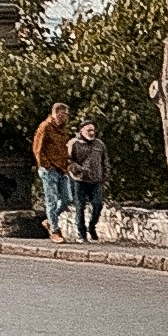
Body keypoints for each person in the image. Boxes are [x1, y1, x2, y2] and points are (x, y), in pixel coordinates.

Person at [31, 101, 73, 239]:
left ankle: (50, 220)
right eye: (65, 115)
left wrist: (66, 164)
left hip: (61, 169)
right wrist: (46, 166)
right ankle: (55, 231)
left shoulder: (61, 129)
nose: (66, 118)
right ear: (58, 114)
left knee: (67, 199)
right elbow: (38, 149)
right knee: (52, 200)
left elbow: (62, 149)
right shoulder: (45, 127)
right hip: (49, 169)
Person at [67, 113, 106, 244]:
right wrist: (78, 169)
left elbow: (105, 161)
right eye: (88, 130)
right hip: (80, 180)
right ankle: (81, 234)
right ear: (81, 131)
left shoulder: (99, 144)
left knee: (98, 204)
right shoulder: (74, 144)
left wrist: (105, 176)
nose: (91, 132)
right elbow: (68, 161)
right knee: (80, 206)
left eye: (93, 130)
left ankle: (92, 226)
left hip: (96, 180)